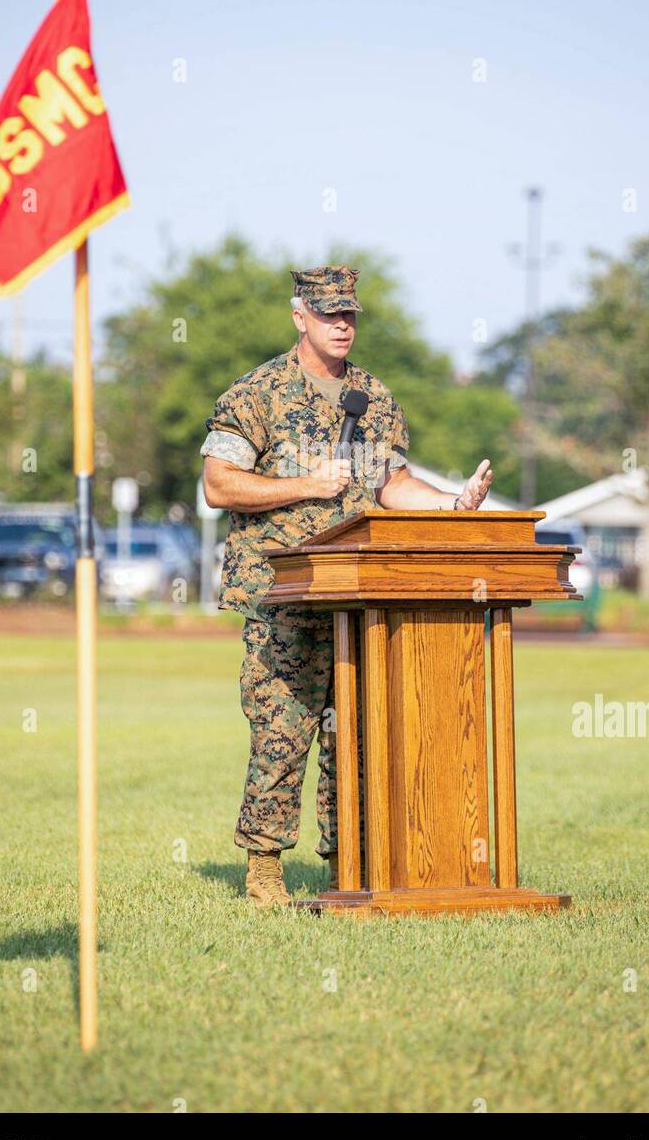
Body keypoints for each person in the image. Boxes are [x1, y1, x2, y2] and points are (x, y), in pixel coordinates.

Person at [201, 265, 493, 906]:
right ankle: (265, 869)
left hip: (358, 593)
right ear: (299, 316)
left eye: (350, 315)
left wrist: (452, 504)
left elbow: (393, 485)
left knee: (355, 731)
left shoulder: (373, 399)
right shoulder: (257, 393)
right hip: (282, 593)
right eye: (329, 314)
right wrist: (303, 484)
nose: (342, 325)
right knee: (283, 725)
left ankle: (350, 866)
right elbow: (219, 484)